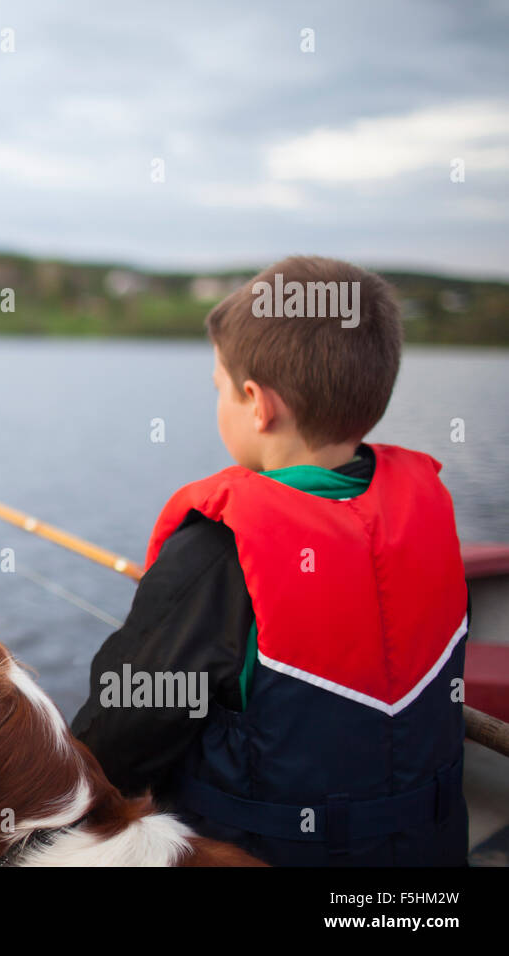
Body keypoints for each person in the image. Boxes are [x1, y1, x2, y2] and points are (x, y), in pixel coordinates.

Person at [69, 255, 469, 865]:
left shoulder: (216, 552)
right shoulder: (428, 513)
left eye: (219, 389)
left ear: (258, 403)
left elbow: (112, 748)